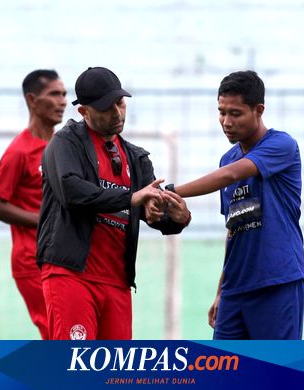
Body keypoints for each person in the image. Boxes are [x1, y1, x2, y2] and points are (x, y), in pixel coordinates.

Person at [36, 66, 191, 340]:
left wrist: (177, 218)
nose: (117, 113)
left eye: (120, 103)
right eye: (107, 108)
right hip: (71, 276)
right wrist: (131, 198)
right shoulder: (64, 144)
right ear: (83, 112)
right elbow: (72, 192)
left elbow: (152, 211)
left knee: (114, 374)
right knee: (75, 371)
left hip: (117, 283)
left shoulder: (136, 158)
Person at [160, 70, 304, 339]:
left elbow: (232, 175)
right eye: (221, 112)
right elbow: (233, 231)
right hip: (235, 290)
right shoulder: (227, 158)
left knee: (274, 377)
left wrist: (170, 192)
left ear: (258, 110)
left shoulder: (281, 145)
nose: (226, 122)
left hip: (275, 282)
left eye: (235, 113)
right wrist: (221, 291)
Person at [0, 69, 67, 339]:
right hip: (32, 260)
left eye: (64, 94)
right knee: (57, 334)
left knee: (75, 334)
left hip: (63, 256)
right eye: (54, 94)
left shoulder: (62, 146)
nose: (63, 101)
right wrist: (44, 219)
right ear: (32, 100)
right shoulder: (19, 151)